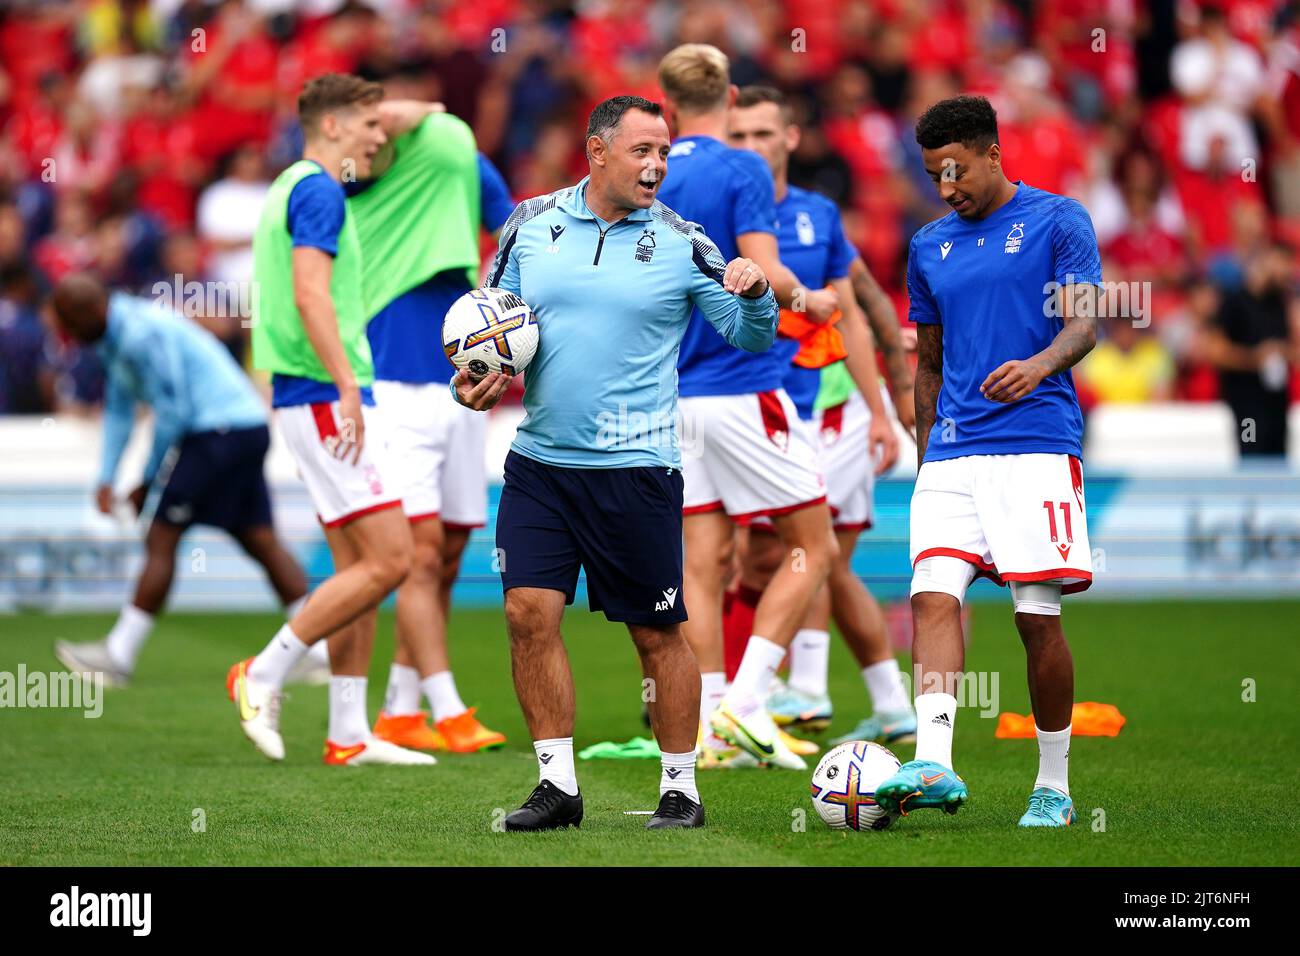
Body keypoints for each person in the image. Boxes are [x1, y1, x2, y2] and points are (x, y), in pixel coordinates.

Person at [457, 94, 778, 830]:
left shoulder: (682, 240)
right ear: (597, 151)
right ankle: (557, 788)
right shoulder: (529, 225)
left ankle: (681, 790)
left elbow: (749, 336)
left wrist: (756, 294)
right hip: (540, 465)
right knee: (526, 612)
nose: (658, 166)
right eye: (643, 151)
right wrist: (481, 375)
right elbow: (496, 326)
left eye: (664, 152)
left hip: (636, 469)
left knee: (655, 633)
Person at [876, 95, 1099, 828]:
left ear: (994, 154)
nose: (947, 189)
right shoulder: (928, 245)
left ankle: (1055, 786)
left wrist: (1039, 365)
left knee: (1036, 621)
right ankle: (933, 758)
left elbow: (1085, 323)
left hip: (1035, 442)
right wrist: (923, 447)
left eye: (958, 171)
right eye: (936, 175)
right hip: (951, 454)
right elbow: (929, 361)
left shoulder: (1058, 221)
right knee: (932, 594)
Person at [228, 73, 430, 767]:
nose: (383, 137)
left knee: (357, 565)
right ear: (337, 127)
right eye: (371, 127)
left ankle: (348, 732)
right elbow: (311, 293)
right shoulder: (318, 189)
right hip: (323, 393)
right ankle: (263, 672)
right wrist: (347, 384)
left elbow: (404, 113)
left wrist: (404, 108)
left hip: (304, 394)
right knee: (394, 559)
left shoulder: (290, 184)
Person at [655, 44, 838, 771]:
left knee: (703, 559)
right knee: (814, 545)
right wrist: (810, 298)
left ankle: (709, 722)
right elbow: (761, 268)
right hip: (742, 384)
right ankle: (746, 702)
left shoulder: (653, 169)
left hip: (674, 396)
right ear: (730, 97)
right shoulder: (743, 169)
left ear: (667, 106)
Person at [723, 85, 915, 750]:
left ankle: (801, 690)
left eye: (763, 136)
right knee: (803, 558)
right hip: (761, 407)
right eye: (738, 136)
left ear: (791, 140)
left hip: (831, 408)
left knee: (803, 549)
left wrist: (888, 408)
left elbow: (858, 314)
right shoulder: (722, 213)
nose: (751, 148)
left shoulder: (817, 217)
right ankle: (886, 703)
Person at [47, 277, 325, 688]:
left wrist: (145, 482)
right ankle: (320, 654)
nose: (68, 336)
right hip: (242, 427)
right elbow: (122, 410)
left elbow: (172, 412)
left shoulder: (140, 336)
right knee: (260, 541)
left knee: (162, 535)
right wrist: (107, 476)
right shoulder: (117, 333)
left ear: (88, 316)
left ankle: (118, 655)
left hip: (218, 432)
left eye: (68, 326)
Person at [346, 102, 514, 754]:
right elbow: (352, 134)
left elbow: (513, 231)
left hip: (462, 380)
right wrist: (422, 110)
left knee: (443, 554)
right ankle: (447, 707)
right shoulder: (365, 164)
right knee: (415, 553)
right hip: (390, 380)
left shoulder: (464, 158)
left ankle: (399, 708)